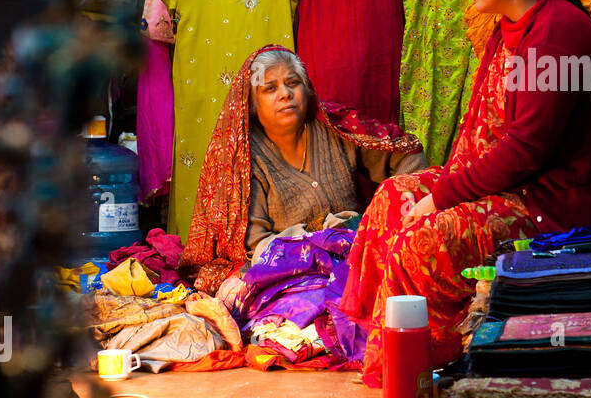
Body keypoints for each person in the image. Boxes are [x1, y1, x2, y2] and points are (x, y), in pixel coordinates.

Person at [342, 0, 591, 385]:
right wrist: (439, 190)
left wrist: (442, 197)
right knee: (391, 198)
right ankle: (389, 355)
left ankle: (419, 367)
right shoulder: (515, 23)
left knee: (427, 238)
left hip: (560, 204)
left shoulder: (558, 31)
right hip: (526, 185)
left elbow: (526, 151)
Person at [181, 46, 426, 294]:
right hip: (295, 275)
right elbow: (256, 245)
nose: (285, 94)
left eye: (293, 83)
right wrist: (323, 242)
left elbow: (404, 153)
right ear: (252, 104)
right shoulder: (244, 162)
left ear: (307, 91)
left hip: (363, 254)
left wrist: (405, 198)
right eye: (270, 88)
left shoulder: (333, 128)